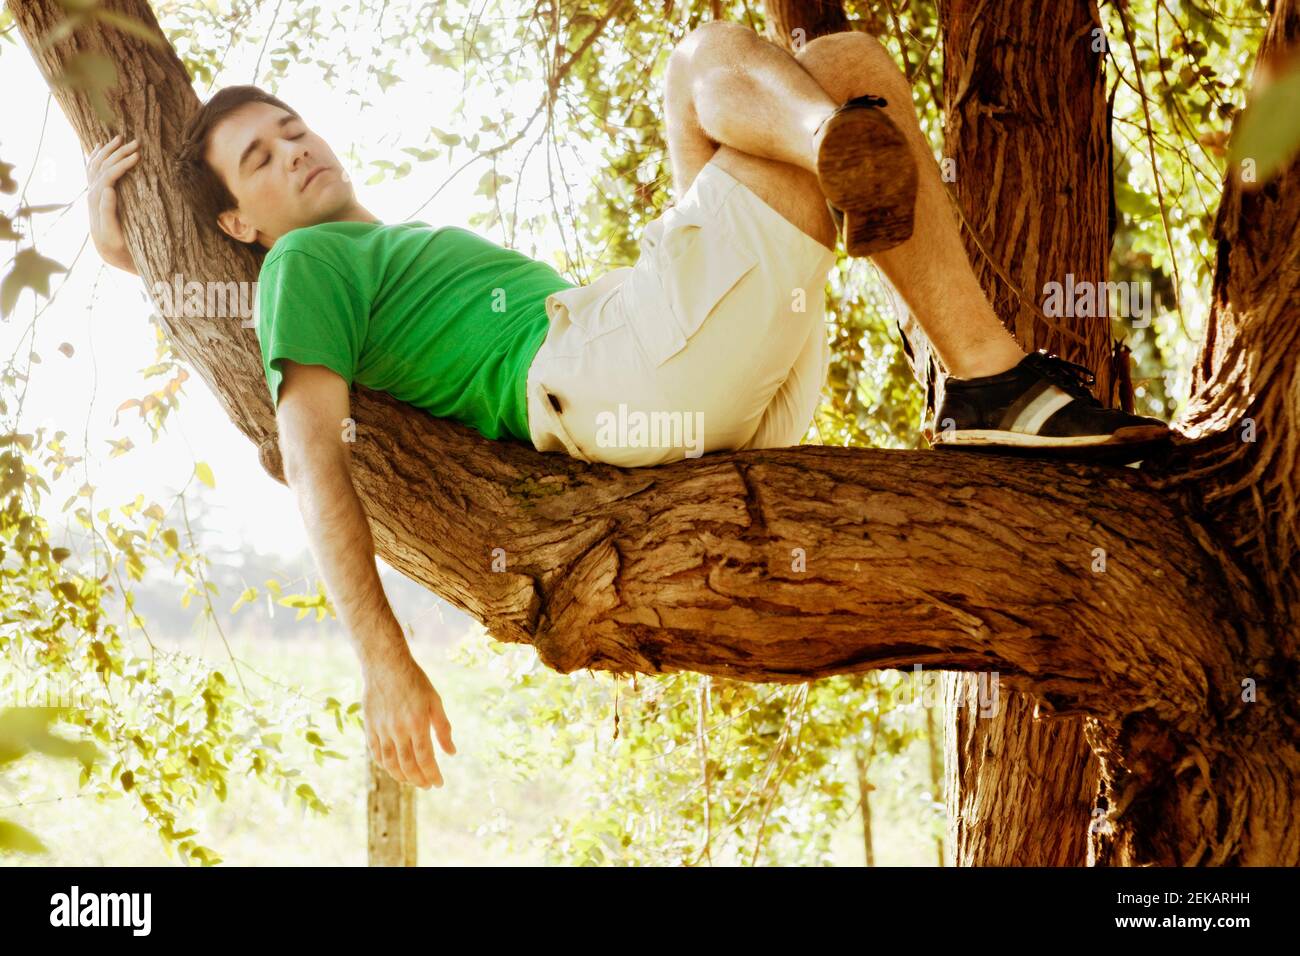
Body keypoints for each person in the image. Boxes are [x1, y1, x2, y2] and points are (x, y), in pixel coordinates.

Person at [85, 24, 1169, 790]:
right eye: (260, 160)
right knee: (700, 61)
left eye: (291, 126)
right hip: (610, 373)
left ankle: (974, 358)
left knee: (843, 66)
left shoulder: (347, 255)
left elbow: (199, 284)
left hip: (678, 369)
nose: (295, 150)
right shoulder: (304, 264)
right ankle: (967, 347)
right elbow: (311, 450)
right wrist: (381, 656)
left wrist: (123, 246)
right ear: (238, 222)